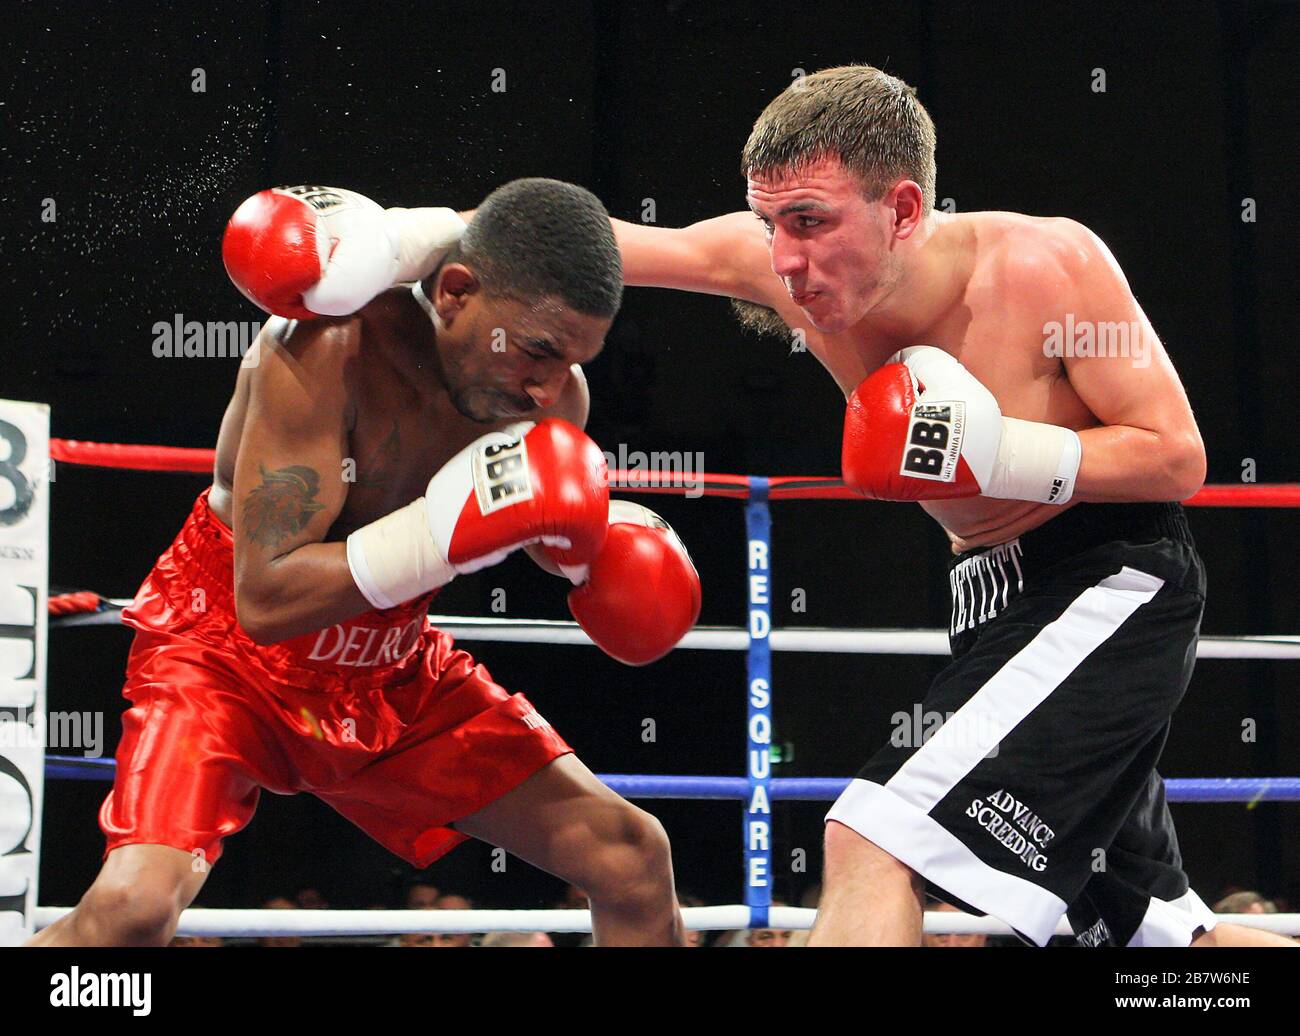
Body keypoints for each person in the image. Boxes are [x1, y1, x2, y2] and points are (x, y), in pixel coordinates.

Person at [309, 66, 1292, 949]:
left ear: (903, 209)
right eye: (769, 221)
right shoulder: (779, 272)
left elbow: (1176, 456)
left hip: (1109, 578)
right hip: (993, 599)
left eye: (810, 222)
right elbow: (586, 241)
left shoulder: (1045, 269)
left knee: (873, 835)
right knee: (1157, 937)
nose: (782, 259)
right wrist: (388, 239)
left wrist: (999, 450)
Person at [27, 178, 700, 948]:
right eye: (540, 350)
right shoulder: (322, 349)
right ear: (455, 292)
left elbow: (527, 518)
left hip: (390, 669)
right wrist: (441, 531)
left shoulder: (551, 397)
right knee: (132, 912)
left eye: (575, 362)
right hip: (221, 659)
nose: (550, 385)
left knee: (633, 857)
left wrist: (595, 554)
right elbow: (268, 598)